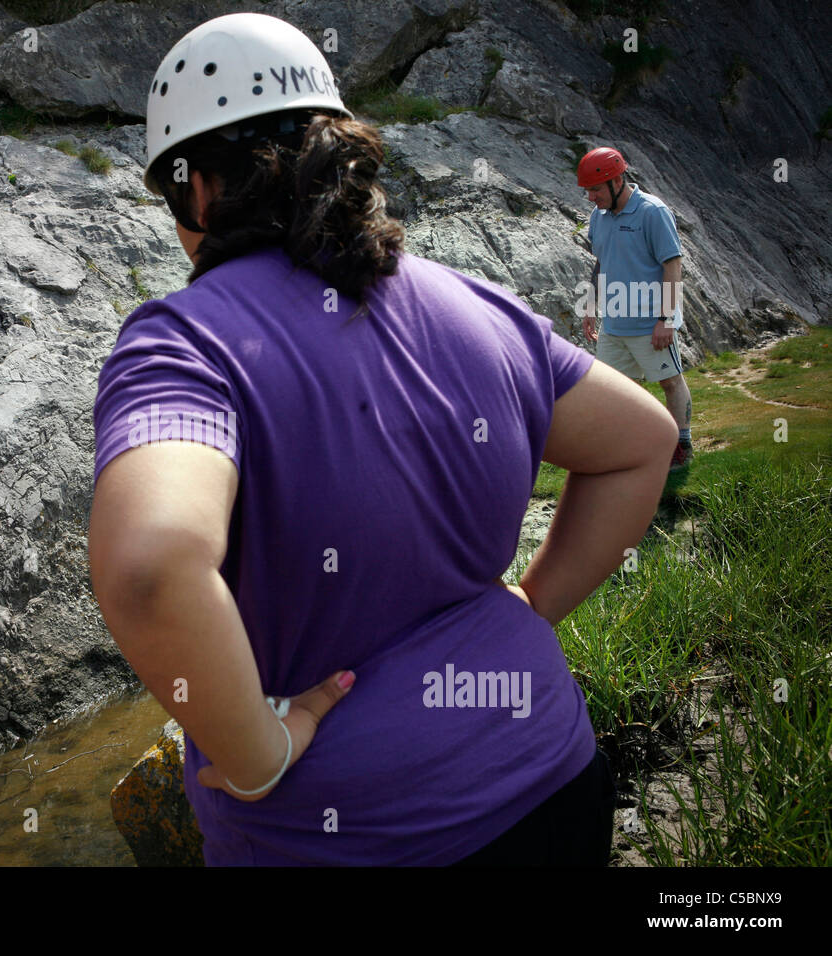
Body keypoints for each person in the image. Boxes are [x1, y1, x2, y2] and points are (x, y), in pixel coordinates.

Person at [88, 12, 679, 865]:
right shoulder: (471, 301)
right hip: (557, 777)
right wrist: (531, 605)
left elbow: (150, 573)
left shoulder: (184, 341)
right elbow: (645, 440)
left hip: (349, 839)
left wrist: (261, 755)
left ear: (199, 189)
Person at [579, 146, 694, 470]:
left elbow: (672, 266)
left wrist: (666, 320)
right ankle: (627, 448)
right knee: (615, 391)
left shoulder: (652, 212)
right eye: (588, 190)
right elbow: (601, 262)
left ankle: (680, 446)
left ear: (617, 182)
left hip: (650, 324)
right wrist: (590, 305)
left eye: (595, 189)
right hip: (614, 326)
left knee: (670, 382)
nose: (591, 197)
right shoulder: (598, 217)